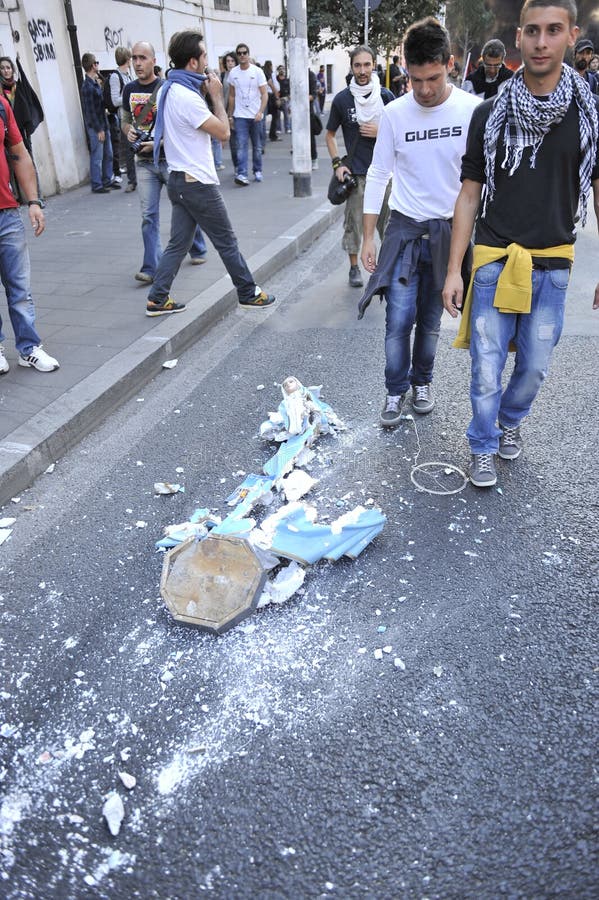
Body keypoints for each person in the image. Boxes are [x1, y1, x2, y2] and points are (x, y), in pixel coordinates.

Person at [442, 0, 599, 488]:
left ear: (571, 36)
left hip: (554, 260)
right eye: (533, 30)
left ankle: (508, 420)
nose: (542, 41)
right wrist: (454, 270)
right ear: (519, 37)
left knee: (534, 367)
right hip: (492, 256)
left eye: (554, 31)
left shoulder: (588, 114)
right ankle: (483, 443)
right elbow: (469, 195)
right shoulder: (489, 113)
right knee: (486, 366)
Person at [358, 18, 480, 426]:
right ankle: (395, 391)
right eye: (415, 80)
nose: (425, 89)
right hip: (405, 231)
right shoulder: (394, 114)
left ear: (450, 64)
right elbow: (378, 174)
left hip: (449, 234)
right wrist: (368, 235)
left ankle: (422, 381)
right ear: (405, 71)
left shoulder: (471, 110)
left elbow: (480, 181)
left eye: (434, 78)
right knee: (398, 320)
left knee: (429, 321)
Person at [145, 30, 275, 315]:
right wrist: (216, 97)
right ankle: (248, 291)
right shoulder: (186, 97)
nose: (207, 62)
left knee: (179, 244)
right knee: (227, 242)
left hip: (179, 179)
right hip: (196, 182)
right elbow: (223, 133)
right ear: (193, 62)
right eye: (204, 56)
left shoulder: (170, 87)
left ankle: (157, 297)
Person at [121, 41, 207, 284]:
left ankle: (198, 247)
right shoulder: (129, 90)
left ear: (153, 60)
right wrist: (128, 130)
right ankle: (151, 267)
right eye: (134, 58)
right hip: (144, 163)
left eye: (142, 58)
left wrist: (158, 144)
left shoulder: (167, 88)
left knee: (186, 205)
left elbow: (178, 125)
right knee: (149, 216)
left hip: (170, 160)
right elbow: (125, 120)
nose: (138, 63)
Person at [326, 45, 395, 288]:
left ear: (374, 64)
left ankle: (385, 270)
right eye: (358, 65)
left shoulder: (386, 96)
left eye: (367, 64)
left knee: (388, 225)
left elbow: (400, 131)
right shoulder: (343, 99)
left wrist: (380, 132)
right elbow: (330, 135)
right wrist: (337, 164)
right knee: (354, 224)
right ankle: (354, 268)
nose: (362, 70)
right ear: (352, 67)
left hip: (384, 173)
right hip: (356, 174)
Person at [0, 95, 59, 374]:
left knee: (20, 288)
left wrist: (33, 201)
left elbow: (19, 153)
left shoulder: (1, 104)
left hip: (7, 212)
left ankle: (29, 348)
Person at [0, 56, 44, 201]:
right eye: (2, 68)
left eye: (8, 67)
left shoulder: (18, 88)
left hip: (21, 134)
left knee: (27, 161)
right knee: (9, 167)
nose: (6, 71)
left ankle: (36, 197)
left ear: (12, 69)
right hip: (6, 135)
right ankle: (15, 197)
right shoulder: (1, 92)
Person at [227, 43, 268, 185]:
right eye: (239, 53)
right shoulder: (233, 73)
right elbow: (231, 96)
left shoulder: (257, 72)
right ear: (237, 55)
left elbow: (264, 94)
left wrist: (260, 112)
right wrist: (230, 116)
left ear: (248, 54)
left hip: (255, 116)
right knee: (241, 145)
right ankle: (242, 174)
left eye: (244, 53)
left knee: (257, 146)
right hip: (240, 116)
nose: (242, 55)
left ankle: (257, 170)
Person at [81, 53, 119, 194]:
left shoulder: (95, 83)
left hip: (104, 123)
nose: (98, 65)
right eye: (96, 62)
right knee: (97, 156)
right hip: (97, 126)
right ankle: (97, 184)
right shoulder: (87, 87)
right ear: (93, 65)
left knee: (108, 154)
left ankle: (107, 180)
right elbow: (89, 112)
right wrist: (99, 130)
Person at [105, 46, 136, 192]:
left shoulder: (128, 75)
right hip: (124, 117)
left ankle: (139, 177)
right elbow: (115, 100)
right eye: (131, 58)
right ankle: (132, 180)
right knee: (129, 149)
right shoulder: (115, 77)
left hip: (135, 115)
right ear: (127, 59)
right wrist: (128, 94)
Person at [222, 51, 239, 168]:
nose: (230, 63)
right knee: (233, 142)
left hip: (241, 110)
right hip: (228, 111)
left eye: (232, 61)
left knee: (241, 141)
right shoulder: (223, 76)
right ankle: (237, 167)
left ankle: (242, 168)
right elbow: (221, 95)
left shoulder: (240, 74)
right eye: (228, 61)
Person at [277, 64, 291, 133]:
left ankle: (287, 128)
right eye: (280, 69)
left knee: (286, 113)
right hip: (277, 99)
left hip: (285, 99)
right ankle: (278, 129)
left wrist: (288, 97)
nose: (281, 70)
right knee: (277, 114)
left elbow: (289, 90)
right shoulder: (276, 79)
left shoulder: (287, 80)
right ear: (278, 71)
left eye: (283, 69)